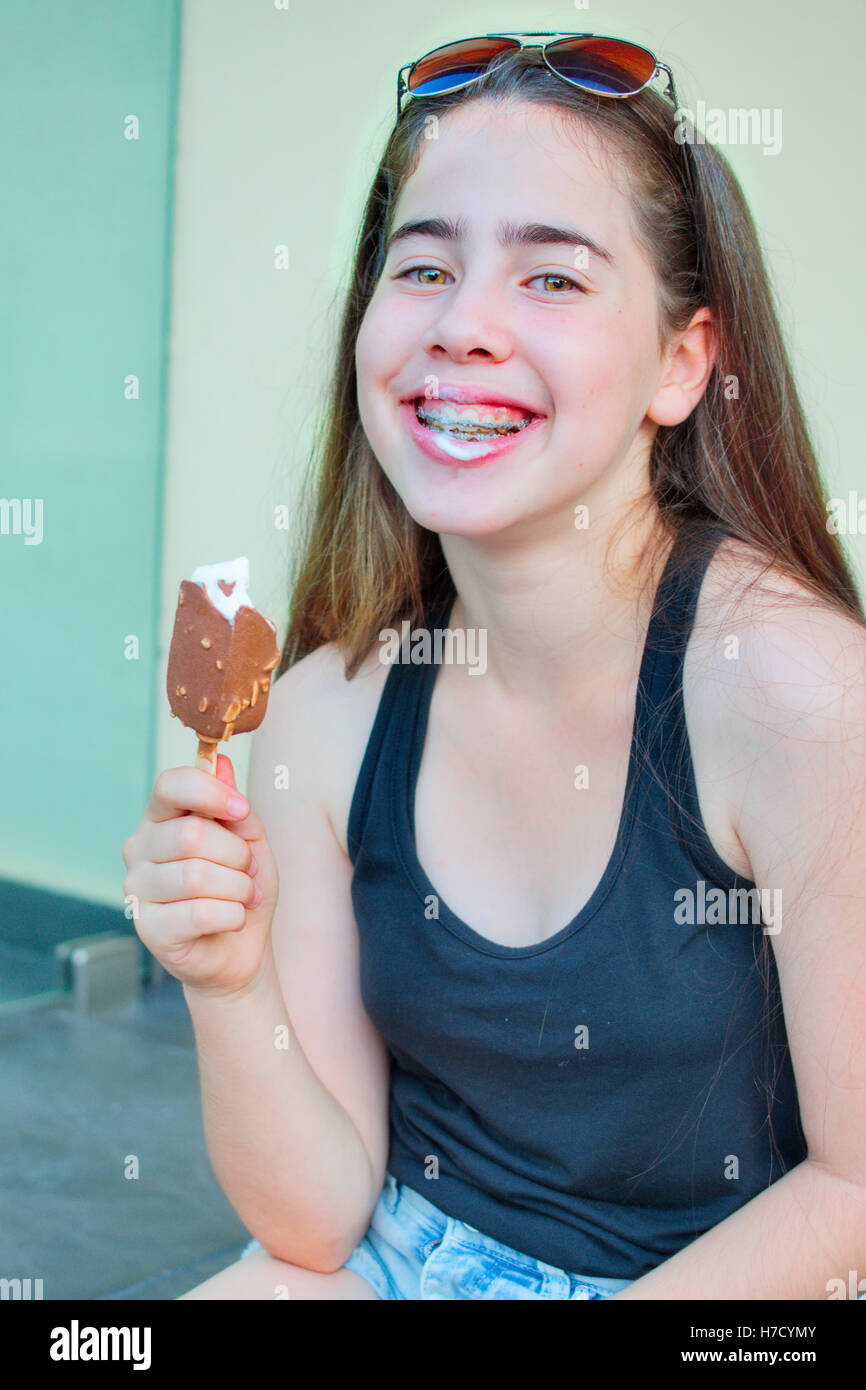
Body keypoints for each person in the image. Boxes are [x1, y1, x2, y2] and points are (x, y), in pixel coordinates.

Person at [123, 34, 866, 1300]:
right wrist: (227, 981)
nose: (461, 325)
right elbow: (312, 1222)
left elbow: (854, 1195)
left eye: (552, 279)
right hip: (406, 1258)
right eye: (421, 266)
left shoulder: (795, 695)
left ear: (680, 363)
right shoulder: (321, 714)